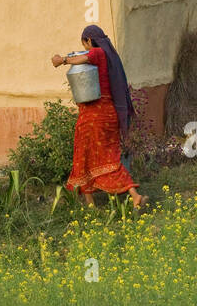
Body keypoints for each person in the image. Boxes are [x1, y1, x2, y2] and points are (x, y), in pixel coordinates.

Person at [51, 24, 147, 210]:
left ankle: (91, 205)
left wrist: (62, 59)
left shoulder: (98, 53)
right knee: (111, 158)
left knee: (83, 157)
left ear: (89, 40)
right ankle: (134, 195)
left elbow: (86, 56)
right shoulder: (108, 57)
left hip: (93, 116)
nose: (87, 47)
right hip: (109, 115)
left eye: (85, 43)